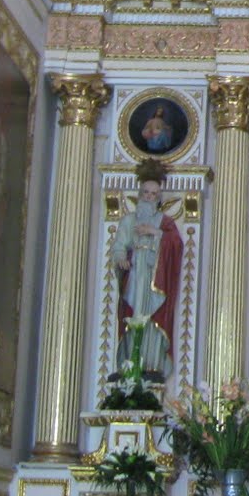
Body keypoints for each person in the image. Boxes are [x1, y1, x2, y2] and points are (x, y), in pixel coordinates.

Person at [110, 159, 183, 380]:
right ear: (139, 194)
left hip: (154, 276)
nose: (148, 197)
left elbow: (176, 244)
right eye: (145, 193)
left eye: (153, 194)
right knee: (133, 316)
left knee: (152, 318)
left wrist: (154, 231)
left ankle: (151, 362)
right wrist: (121, 258)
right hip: (135, 275)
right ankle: (130, 363)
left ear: (159, 198)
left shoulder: (164, 222)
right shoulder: (129, 221)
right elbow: (119, 246)